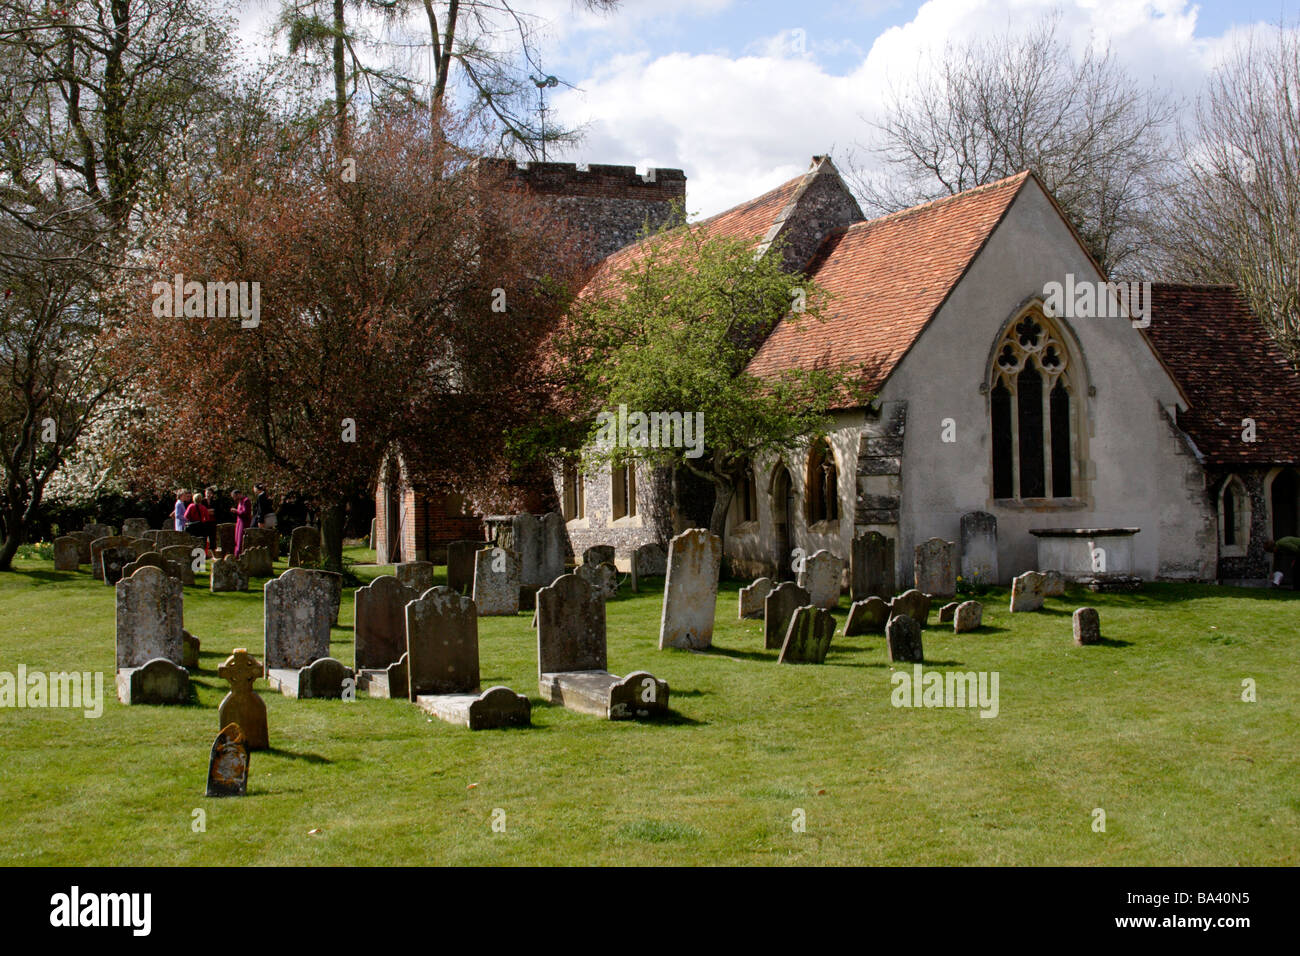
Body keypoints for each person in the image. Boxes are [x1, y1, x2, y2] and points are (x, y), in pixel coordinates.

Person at [231, 490, 251, 557]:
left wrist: (236, 511)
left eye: (234, 496)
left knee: (240, 540)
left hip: (244, 523)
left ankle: (239, 556)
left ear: (238, 494)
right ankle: (236, 555)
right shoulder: (240, 502)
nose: (234, 499)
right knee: (236, 540)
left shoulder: (246, 501)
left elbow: (245, 513)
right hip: (239, 523)